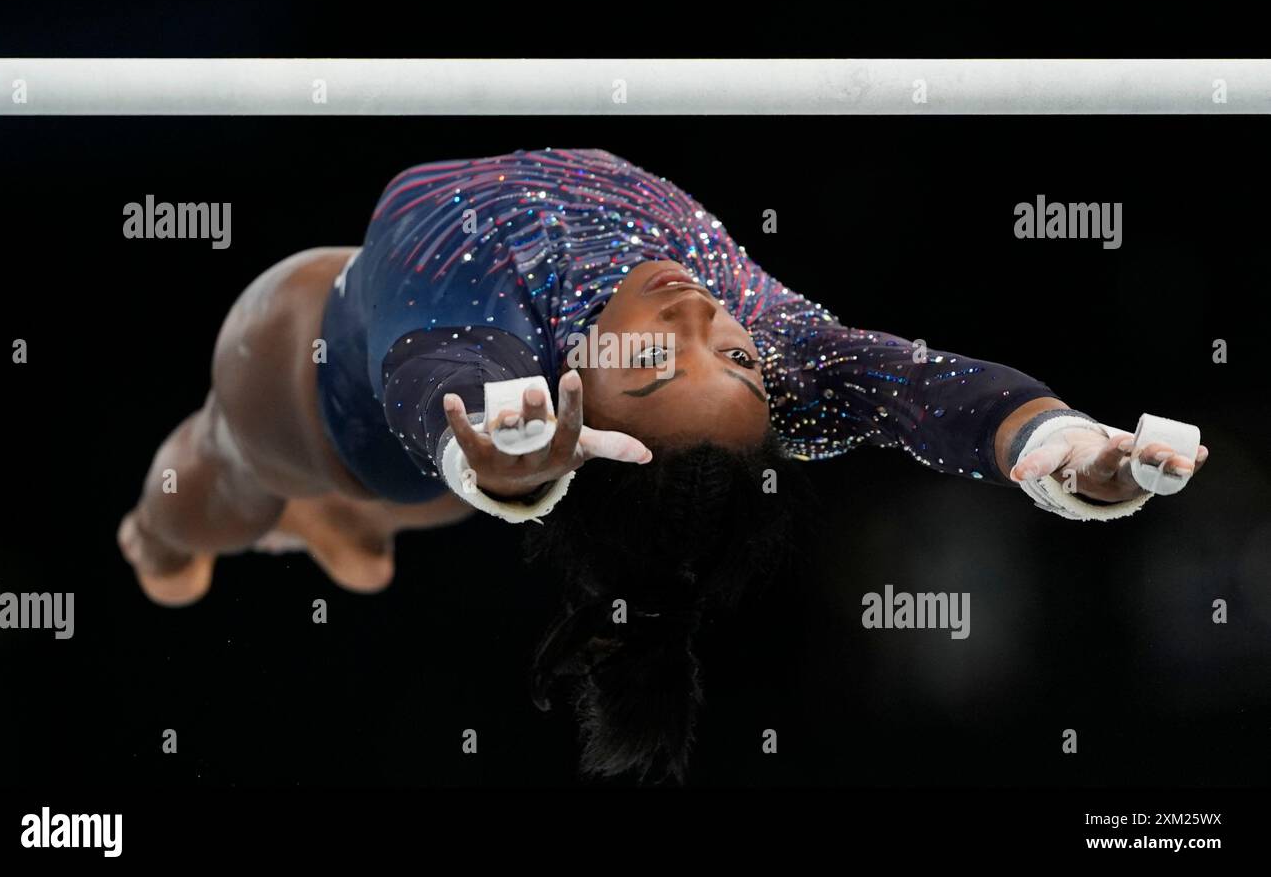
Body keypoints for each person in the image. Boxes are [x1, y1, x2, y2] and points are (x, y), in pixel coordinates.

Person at [117, 147, 1208, 783]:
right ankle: (364, 522)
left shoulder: (480, 336)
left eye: (654, 362)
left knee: (210, 490)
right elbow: (921, 389)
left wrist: (495, 465)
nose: (697, 311)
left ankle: (173, 529)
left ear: (573, 398)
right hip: (444, 467)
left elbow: (438, 369)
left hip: (299, 393)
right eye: (731, 353)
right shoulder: (778, 346)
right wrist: (1059, 449)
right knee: (401, 505)